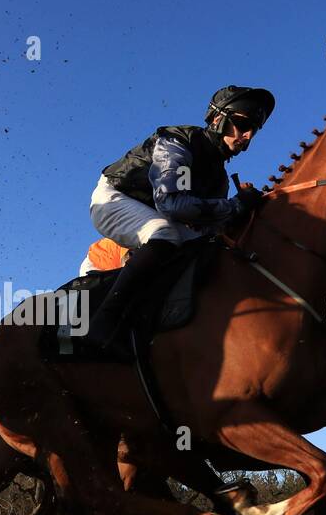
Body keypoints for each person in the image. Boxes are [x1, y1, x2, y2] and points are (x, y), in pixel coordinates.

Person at [81, 85, 275, 351]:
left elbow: (210, 228)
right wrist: (235, 205)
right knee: (165, 233)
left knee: (204, 248)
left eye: (254, 130)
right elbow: (171, 202)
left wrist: (242, 211)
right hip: (113, 199)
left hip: (154, 216)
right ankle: (104, 321)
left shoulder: (218, 178)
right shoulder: (179, 142)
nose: (247, 135)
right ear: (218, 119)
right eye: (242, 125)